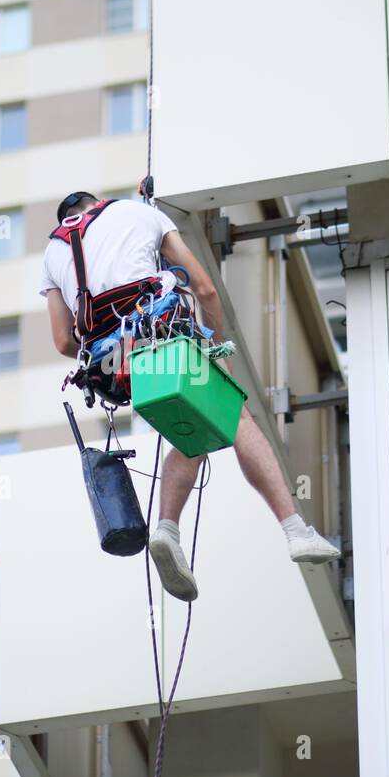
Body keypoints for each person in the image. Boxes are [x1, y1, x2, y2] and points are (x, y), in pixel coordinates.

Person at [40, 191, 340, 602]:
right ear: (100, 202)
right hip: (162, 330)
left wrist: (114, 350)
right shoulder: (141, 213)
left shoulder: (54, 250)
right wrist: (213, 344)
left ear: (67, 219)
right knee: (237, 416)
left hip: (114, 364)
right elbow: (205, 288)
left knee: (194, 428)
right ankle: (295, 531)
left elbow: (62, 341)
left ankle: (168, 531)